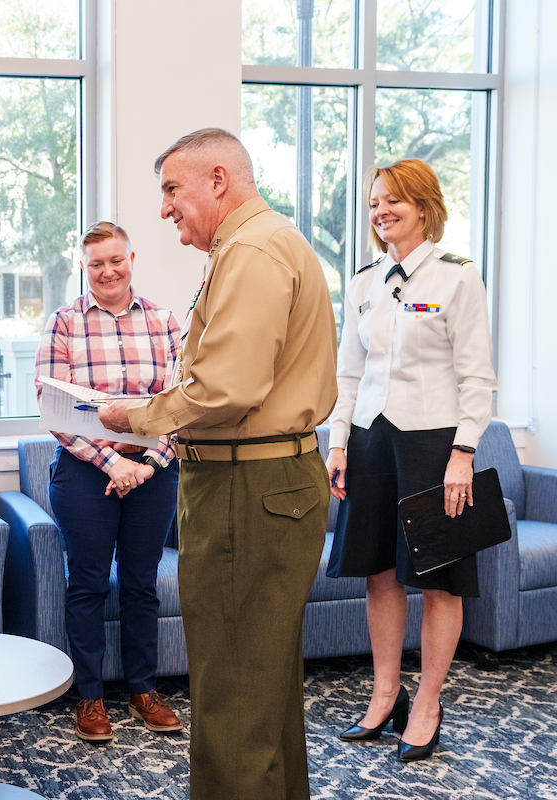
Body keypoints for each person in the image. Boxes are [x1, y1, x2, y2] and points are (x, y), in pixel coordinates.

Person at [99, 128, 337, 800]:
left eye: (174, 189)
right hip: (261, 479)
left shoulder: (254, 250)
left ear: (219, 179)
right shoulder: (263, 243)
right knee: (261, 692)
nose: (166, 207)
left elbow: (228, 388)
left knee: (234, 694)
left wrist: (136, 418)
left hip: (245, 486)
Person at [325, 158, 497, 762]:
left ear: (423, 207)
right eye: (375, 203)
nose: (381, 211)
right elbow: (349, 372)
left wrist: (463, 454)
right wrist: (338, 441)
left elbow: (478, 378)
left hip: (433, 445)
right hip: (371, 440)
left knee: (439, 582)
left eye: (394, 200)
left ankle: (427, 705)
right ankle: (384, 694)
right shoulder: (364, 282)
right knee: (378, 572)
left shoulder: (457, 277)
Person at [35, 221, 183, 742]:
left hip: (153, 470)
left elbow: (180, 401)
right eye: (96, 263)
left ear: (132, 259)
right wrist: (111, 463)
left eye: (115, 260)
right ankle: (91, 698)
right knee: (89, 584)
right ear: (84, 266)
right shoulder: (65, 321)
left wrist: (149, 460)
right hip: (82, 472)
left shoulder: (165, 321)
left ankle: (144, 690)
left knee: (143, 584)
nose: (107, 271)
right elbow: (53, 405)